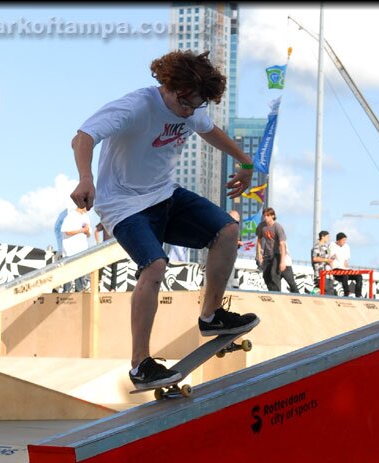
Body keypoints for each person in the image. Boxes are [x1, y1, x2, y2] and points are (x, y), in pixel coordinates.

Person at [69, 49, 260, 390]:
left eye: (194, 106)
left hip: (165, 196)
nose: (188, 112)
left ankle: (211, 316)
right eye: (184, 104)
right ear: (169, 87)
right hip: (124, 205)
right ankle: (141, 364)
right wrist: (86, 178)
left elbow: (209, 129)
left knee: (228, 230)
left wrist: (244, 161)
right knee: (155, 266)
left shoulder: (193, 108)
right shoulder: (137, 106)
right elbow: (83, 136)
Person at [255, 207, 298, 293]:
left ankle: (282, 294)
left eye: (267, 216)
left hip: (279, 254)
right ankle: (273, 293)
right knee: (266, 275)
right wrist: (259, 254)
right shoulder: (261, 226)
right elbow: (259, 240)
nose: (265, 218)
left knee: (277, 275)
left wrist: (282, 261)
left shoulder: (278, 227)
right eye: (264, 216)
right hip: (268, 254)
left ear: (273, 216)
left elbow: (283, 245)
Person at [61, 205, 91, 292]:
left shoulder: (86, 217)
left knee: (80, 275)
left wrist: (87, 231)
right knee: (68, 275)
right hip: (70, 250)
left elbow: (89, 234)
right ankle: (66, 294)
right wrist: (81, 230)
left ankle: (79, 291)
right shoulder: (70, 216)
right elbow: (67, 231)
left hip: (82, 250)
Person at [329, 232, 362, 297]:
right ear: (338, 240)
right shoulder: (332, 245)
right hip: (335, 269)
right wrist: (331, 272)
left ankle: (358, 294)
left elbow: (345, 261)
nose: (344, 242)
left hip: (344, 269)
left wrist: (347, 270)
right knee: (345, 274)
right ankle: (347, 293)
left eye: (345, 240)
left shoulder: (347, 246)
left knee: (359, 276)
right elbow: (330, 260)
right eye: (343, 240)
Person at [95, 220, 119, 290]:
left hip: (115, 247)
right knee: (101, 266)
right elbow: (96, 230)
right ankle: (97, 284)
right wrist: (98, 242)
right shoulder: (105, 220)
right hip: (105, 248)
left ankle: (113, 287)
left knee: (114, 268)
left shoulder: (118, 221)